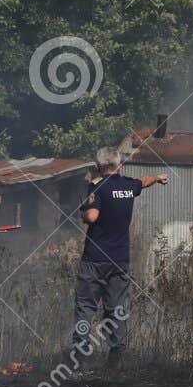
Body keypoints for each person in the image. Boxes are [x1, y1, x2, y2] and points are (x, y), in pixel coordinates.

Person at [73, 146, 168, 368]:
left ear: (98, 167)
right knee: (116, 308)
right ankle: (116, 357)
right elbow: (143, 181)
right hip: (120, 260)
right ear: (119, 166)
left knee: (86, 307)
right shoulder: (128, 186)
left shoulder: (96, 187)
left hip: (95, 260)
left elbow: (93, 216)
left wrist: (84, 212)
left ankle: (80, 359)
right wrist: (158, 177)